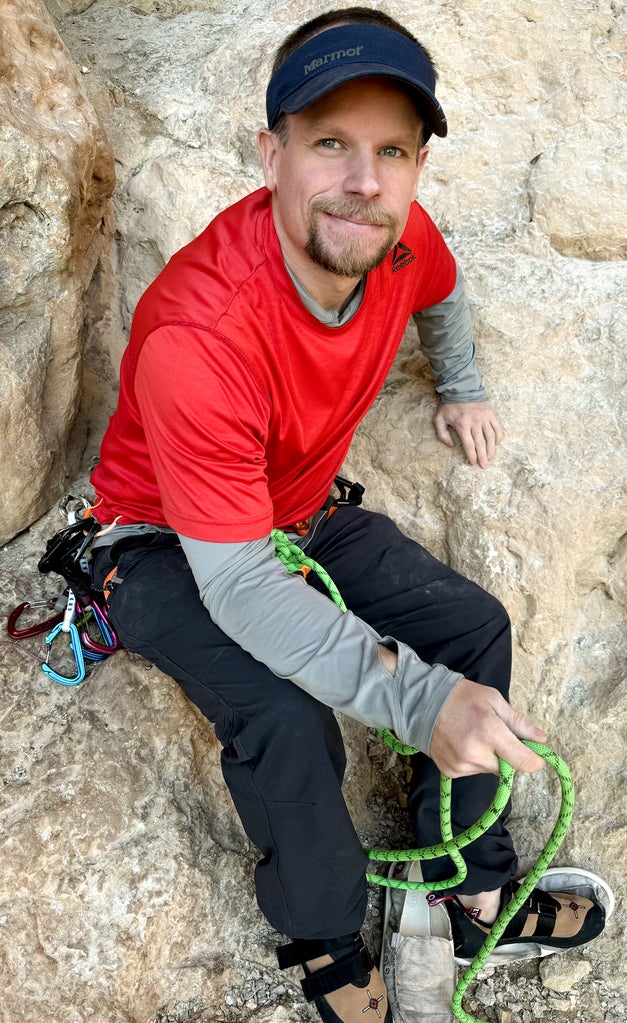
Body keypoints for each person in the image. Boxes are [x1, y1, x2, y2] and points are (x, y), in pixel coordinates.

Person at [88, 8, 607, 1022]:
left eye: (391, 153)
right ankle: (323, 939)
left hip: (289, 511)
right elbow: (238, 584)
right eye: (329, 143)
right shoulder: (200, 334)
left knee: (471, 626)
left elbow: (442, 295)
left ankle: (470, 879)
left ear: (414, 171)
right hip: (165, 541)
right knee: (286, 714)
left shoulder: (397, 238)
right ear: (270, 153)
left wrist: (459, 385)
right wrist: (419, 704)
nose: (363, 181)